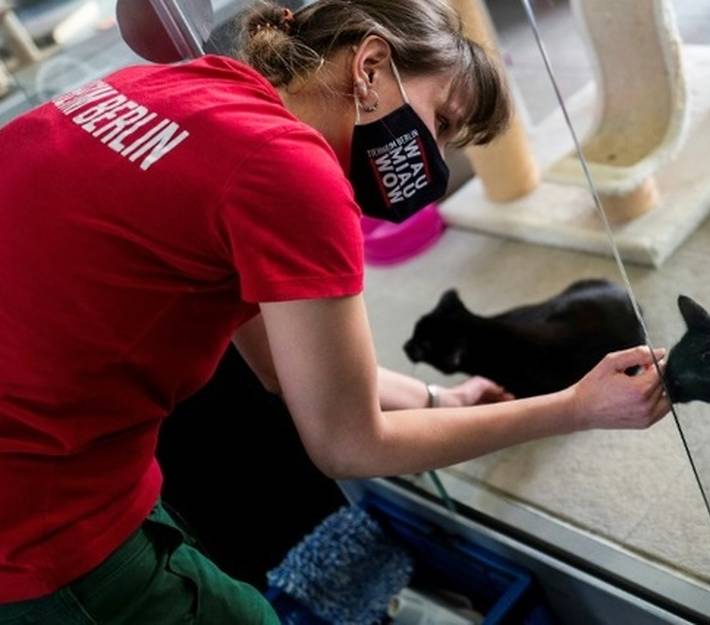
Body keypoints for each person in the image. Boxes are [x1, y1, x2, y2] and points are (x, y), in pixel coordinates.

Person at [0, 0, 670, 622]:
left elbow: (284, 371)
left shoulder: (178, 87)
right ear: (370, 66)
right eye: (441, 122)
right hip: (37, 524)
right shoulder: (290, 170)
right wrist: (577, 406)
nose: (436, 157)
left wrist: (441, 400)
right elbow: (347, 444)